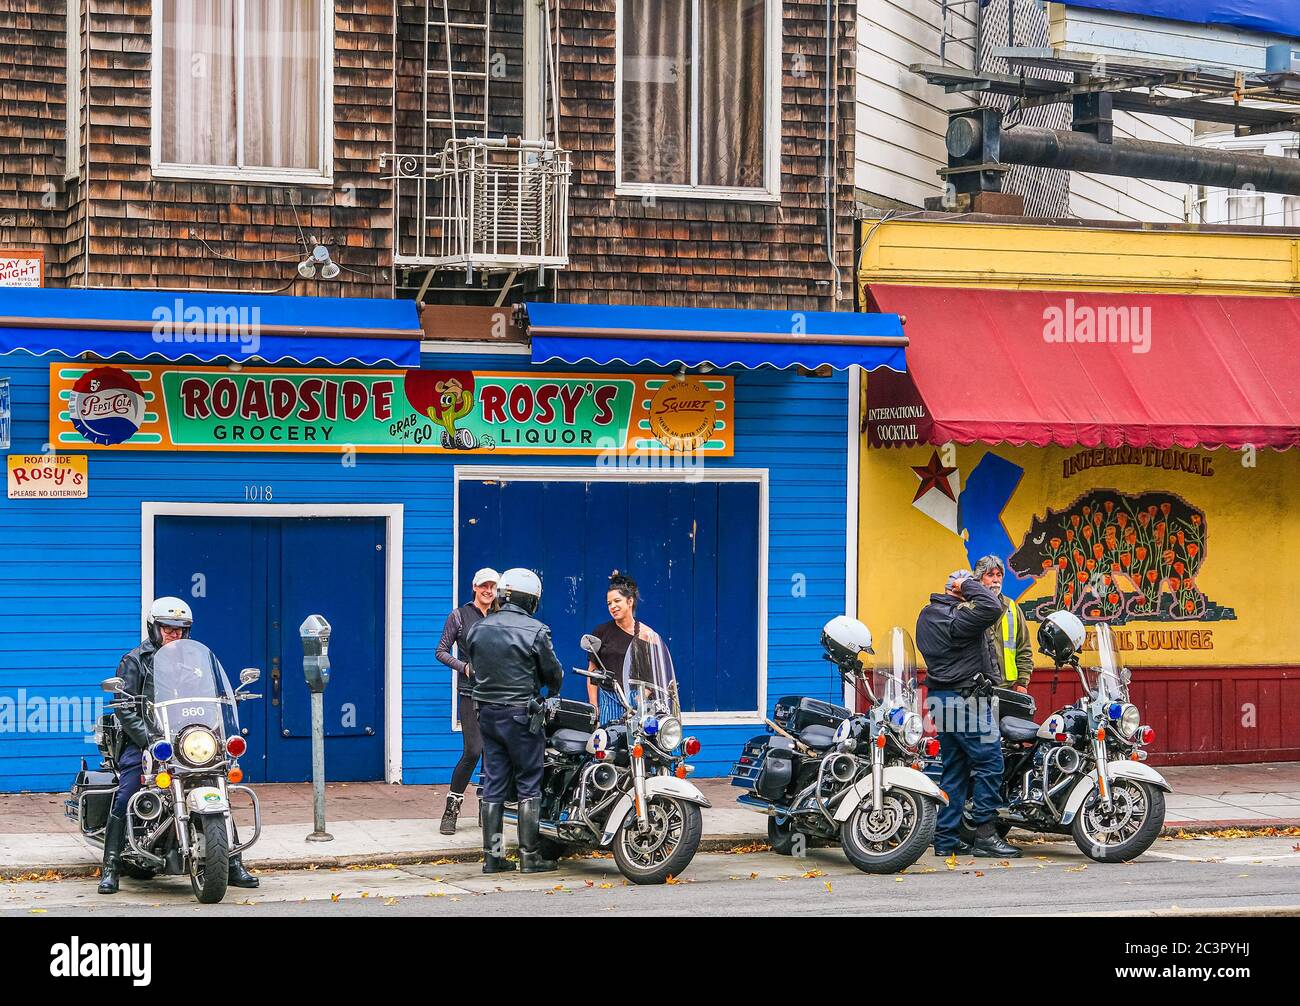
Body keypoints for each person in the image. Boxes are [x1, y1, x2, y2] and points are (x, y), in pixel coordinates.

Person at [98, 597, 259, 894]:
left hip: (187, 739)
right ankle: (110, 867)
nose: (175, 634)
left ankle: (232, 864)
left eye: (181, 630)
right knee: (127, 792)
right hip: (147, 739)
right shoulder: (134, 660)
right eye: (168, 629)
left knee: (215, 781)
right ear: (154, 627)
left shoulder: (196, 661)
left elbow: (212, 697)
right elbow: (124, 707)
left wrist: (221, 717)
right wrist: (150, 740)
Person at [915, 569, 1021, 860]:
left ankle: (946, 840)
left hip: (940, 698)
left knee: (955, 769)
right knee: (991, 761)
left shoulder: (927, 614)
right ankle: (986, 833)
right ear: (959, 589)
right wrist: (969, 586)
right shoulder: (956, 618)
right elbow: (992, 606)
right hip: (965, 700)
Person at [465, 567, 564, 875]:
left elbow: (474, 661)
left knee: (493, 785)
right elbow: (553, 673)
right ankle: (529, 855)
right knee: (528, 784)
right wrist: (552, 690)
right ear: (530, 599)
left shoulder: (479, 628)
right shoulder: (536, 630)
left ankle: (493, 857)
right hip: (522, 715)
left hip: (486, 714)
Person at [435, 567, 499, 835]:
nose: (488, 591)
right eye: (483, 586)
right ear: (474, 587)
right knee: (473, 750)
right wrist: (464, 668)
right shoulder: (459, 616)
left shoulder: (501, 615)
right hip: (470, 692)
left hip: (497, 693)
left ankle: (488, 809)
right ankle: (452, 809)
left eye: (492, 587)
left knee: (494, 753)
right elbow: (440, 651)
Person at [586, 572, 658, 717]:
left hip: (640, 701)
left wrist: (641, 698)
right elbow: (592, 672)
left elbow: (656, 675)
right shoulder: (600, 632)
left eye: (617, 601)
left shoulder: (647, 634)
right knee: (610, 738)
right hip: (609, 699)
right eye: (609, 603)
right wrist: (594, 706)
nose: (613, 606)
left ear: (630, 601)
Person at [972, 555, 1033, 694]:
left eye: (999, 575)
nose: (996, 580)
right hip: (978, 688)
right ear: (979, 579)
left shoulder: (1012, 607)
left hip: (1009, 687)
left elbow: (1024, 647)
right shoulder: (971, 607)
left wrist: (1022, 681)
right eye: (990, 575)